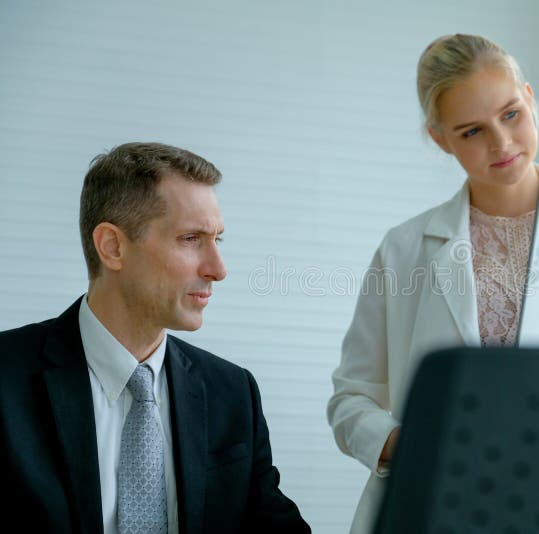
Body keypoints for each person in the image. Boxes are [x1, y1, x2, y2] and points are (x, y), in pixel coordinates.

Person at [0, 142, 310, 533]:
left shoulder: (233, 393)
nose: (218, 269)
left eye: (218, 240)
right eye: (191, 239)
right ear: (113, 247)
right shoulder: (6, 379)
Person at [327, 34, 539, 533]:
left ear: (530, 99)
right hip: (446, 502)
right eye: (472, 131)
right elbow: (350, 399)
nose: (501, 143)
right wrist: (409, 445)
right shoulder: (405, 249)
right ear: (441, 138)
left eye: (511, 114)